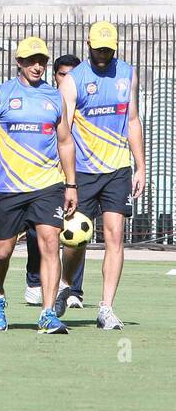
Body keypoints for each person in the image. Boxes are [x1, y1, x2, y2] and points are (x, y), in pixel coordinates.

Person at [0, 37, 77, 335]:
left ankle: (47, 313)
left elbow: (65, 141)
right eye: (31, 60)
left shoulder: (54, 96)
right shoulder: (2, 94)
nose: (37, 66)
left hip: (47, 185)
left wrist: (71, 184)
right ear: (18, 62)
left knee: (49, 243)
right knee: (2, 252)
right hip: (8, 187)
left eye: (42, 60)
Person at [62, 21, 144, 330]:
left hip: (117, 169)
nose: (103, 55)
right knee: (76, 239)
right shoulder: (74, 80)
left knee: (115, 235)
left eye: (108, 49)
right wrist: (65, 175)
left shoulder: (127, 73)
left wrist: (141, 166)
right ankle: (65, 285)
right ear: (88, 45)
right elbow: (64, 131)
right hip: (83, 170)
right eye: (98, 49)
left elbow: (133, 120)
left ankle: (106, 307)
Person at [23, 54, 86, 311]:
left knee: (78, 231)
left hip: (78, 173)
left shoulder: (84, 101)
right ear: (55, 75)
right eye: (62, 74)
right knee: (37, 231)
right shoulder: (45, 100)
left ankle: (71, 289)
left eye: (72, 74)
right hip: (45, 175)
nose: (67, 79)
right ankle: (35, 280)